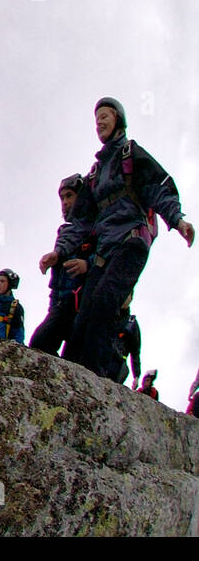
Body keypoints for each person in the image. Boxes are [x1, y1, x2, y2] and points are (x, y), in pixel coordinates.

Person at [40, 98, 193, 379]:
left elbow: (158, 188)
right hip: (105, 250)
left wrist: (177, 219)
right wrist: (59, 253)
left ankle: (94, 379)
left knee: (105, 303)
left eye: (105, 116)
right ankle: (70, 377)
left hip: (132, 242)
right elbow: (81, 220)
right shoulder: (95, 174)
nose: (99, 122)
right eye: (96, 118)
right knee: (85, 312)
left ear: (118, 119)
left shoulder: (130, 154)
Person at [30, 175, 90, 356]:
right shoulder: (65, 231)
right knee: (41, 345)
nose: (64, 202)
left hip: (80, 306)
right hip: (61, 304)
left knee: (43, 345)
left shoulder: (94, 227)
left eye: (69, 196)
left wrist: (88, 264)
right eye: (62, 198)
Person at [112, 307, 142, 388]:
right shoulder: (110, 314)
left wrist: (136, 375)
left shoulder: (131, 323)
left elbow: (135, 352)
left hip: (117, 365)